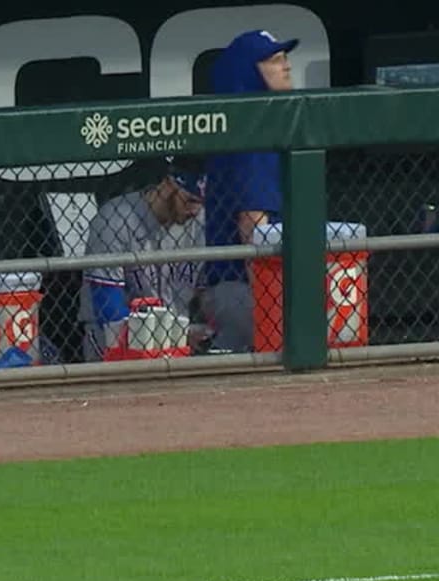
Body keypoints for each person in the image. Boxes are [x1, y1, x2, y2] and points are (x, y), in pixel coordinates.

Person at [199, 30, 298, 353]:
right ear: (248, 72)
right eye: (274, 60)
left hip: (240, 290)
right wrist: (274, 306)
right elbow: (253, 229)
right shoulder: (251, 140)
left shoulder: (248, 130)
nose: (286, 66)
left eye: (285, 58)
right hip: (247, 290)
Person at [81, 158, 208, 361]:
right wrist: (149, 342)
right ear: (167, 185)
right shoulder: (114, 219)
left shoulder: (199, 223)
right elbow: (107, 305)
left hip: (175, 340)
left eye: (201, 203)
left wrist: (197, 330)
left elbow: (204, 296)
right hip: (115, 340)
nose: (195, 211)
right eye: (190, 201)